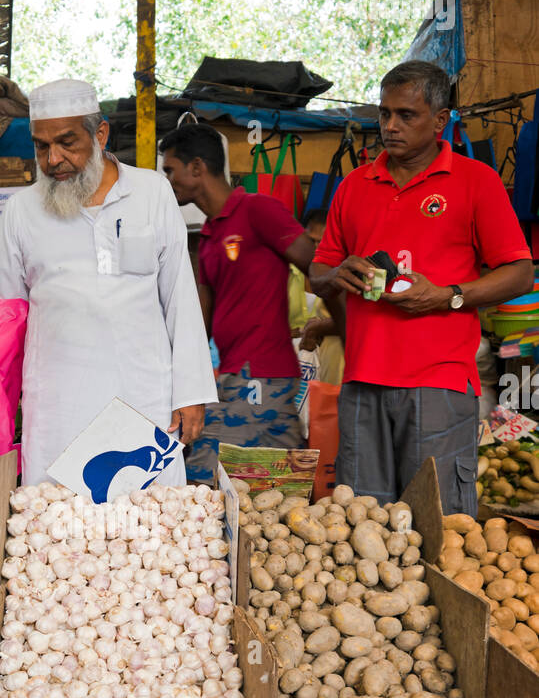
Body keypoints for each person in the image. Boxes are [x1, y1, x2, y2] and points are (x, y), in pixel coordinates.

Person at [310, 59, 533, 514]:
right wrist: (337, 276)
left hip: (439, 381)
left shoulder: (475, 182)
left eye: (405, 115)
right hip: (362, 381)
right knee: (365, 524)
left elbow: (520, 272)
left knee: (438, 521)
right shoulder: (355, 186)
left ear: (439, 121)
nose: (390, 126)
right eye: (384, 114)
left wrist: (447, 295)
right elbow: (318, 271)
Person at [0, 78, 217, 486]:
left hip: (145, 400)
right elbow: (0, 319)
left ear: (101, 133)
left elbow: (180, 297)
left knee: (150, 532)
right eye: (41, 146)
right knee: (59, 535)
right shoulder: (22, 211)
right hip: (57, 409)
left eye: (67, 142)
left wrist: (190, 393)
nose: (53, 158)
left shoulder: (151, 193)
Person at [159, 121, 321, 482]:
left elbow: (316, 263)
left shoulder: (257, 209)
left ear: (197, 168)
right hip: (234, 373)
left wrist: (335, 324)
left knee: (203, 469)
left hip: (261, 372)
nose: (167, 180)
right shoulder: (212, 233)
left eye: (170, 169)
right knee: (270, 478)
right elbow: (201, 314)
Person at [292, 208, 344, 387]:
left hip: (332, 361)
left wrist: (318, 328)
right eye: (311, 241)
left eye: (321, 242)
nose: (315, 247)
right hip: (298, 359)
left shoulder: (342, 274)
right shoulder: (290, 272)